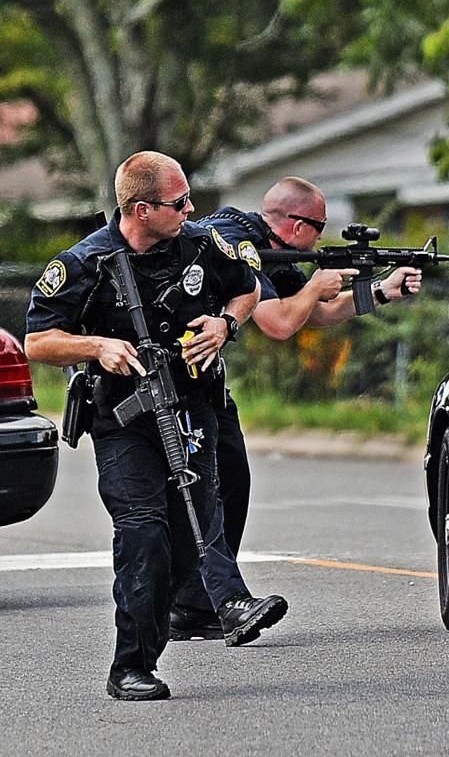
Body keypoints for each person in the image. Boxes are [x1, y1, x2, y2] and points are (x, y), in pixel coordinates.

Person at [25, 151, 288, 701]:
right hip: (125, 422)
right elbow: (38, 341)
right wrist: (97, 346)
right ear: (141, 210)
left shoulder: (199, 245)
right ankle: (131, 666)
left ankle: (175, 619)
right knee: (143, 533)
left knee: (187, 541)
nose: (191, 210)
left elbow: (248, 287)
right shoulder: (85, 263)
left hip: (193, 411)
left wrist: (225, 324)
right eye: (179, 202)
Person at [168, 176, 422, 640]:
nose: (322, 237)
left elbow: (317, 314)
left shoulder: (270, 247)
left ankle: (192, 607)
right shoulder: (237, 241)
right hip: (174, 379)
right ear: (295, 223)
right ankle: (218, 601)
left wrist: (383, 291)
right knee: (204, 489)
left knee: (234, 480)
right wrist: (316, 286)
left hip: (204, 377)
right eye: (319, 226)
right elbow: (280, 323)